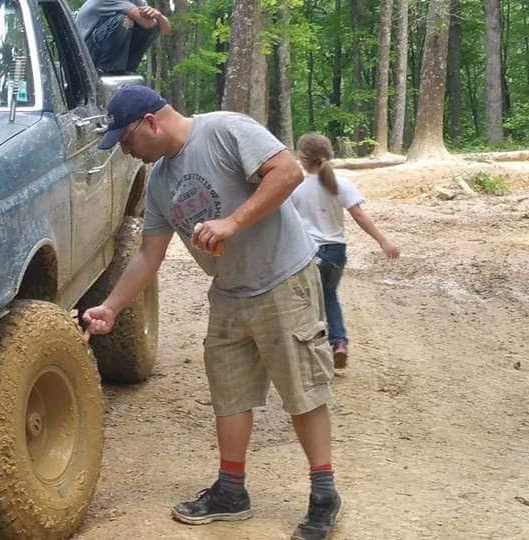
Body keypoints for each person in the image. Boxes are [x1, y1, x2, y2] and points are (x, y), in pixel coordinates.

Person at [82, 85, 342, 540]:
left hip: (283, 277)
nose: (125, 151)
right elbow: (148, 254)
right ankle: (231, 490)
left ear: (150, 122)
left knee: (302, 388)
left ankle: (324, 493)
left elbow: (287, 172)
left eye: (126, 140)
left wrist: (233, 221)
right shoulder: (160, 181)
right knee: (230, 393)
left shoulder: (224, 129)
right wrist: (110, 307)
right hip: (228, 291)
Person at [290, 132, 400, 369]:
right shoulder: (341, 184)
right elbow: (359, 215)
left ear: (302, 158)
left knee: (309, 302)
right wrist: (383, 241)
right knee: (329, 296)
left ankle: (313, 352)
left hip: (308, 253)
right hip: (336, 252)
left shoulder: (295, 187)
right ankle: (338, 342)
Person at [75, 0, 171, 75]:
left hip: (112, 53)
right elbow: (148, 23)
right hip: (83, 57)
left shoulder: (137, 2)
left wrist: (158, 16)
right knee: (123, 20)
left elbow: (165, 30)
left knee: (151, 28)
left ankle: (126, 71)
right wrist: (153, 17)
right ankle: (106, 71)